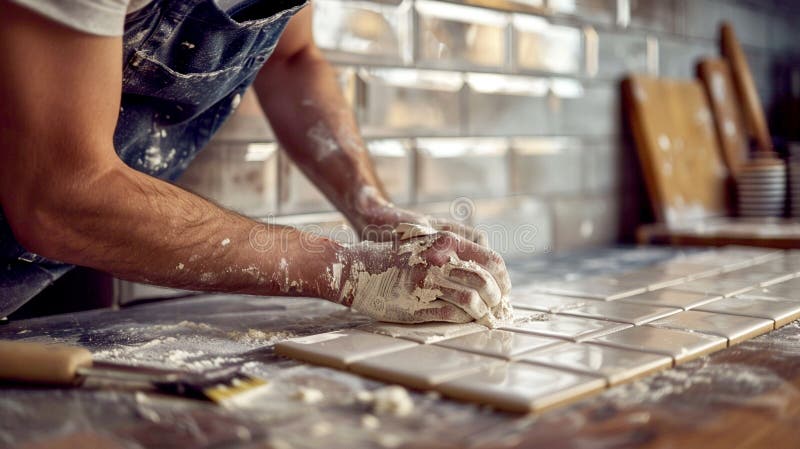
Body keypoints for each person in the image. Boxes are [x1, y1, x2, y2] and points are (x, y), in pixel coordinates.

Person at [0, 0, 512, 324]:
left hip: (57, 267)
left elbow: (293, 57)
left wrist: (371, 209)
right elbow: (63, 196)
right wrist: (350, 272)